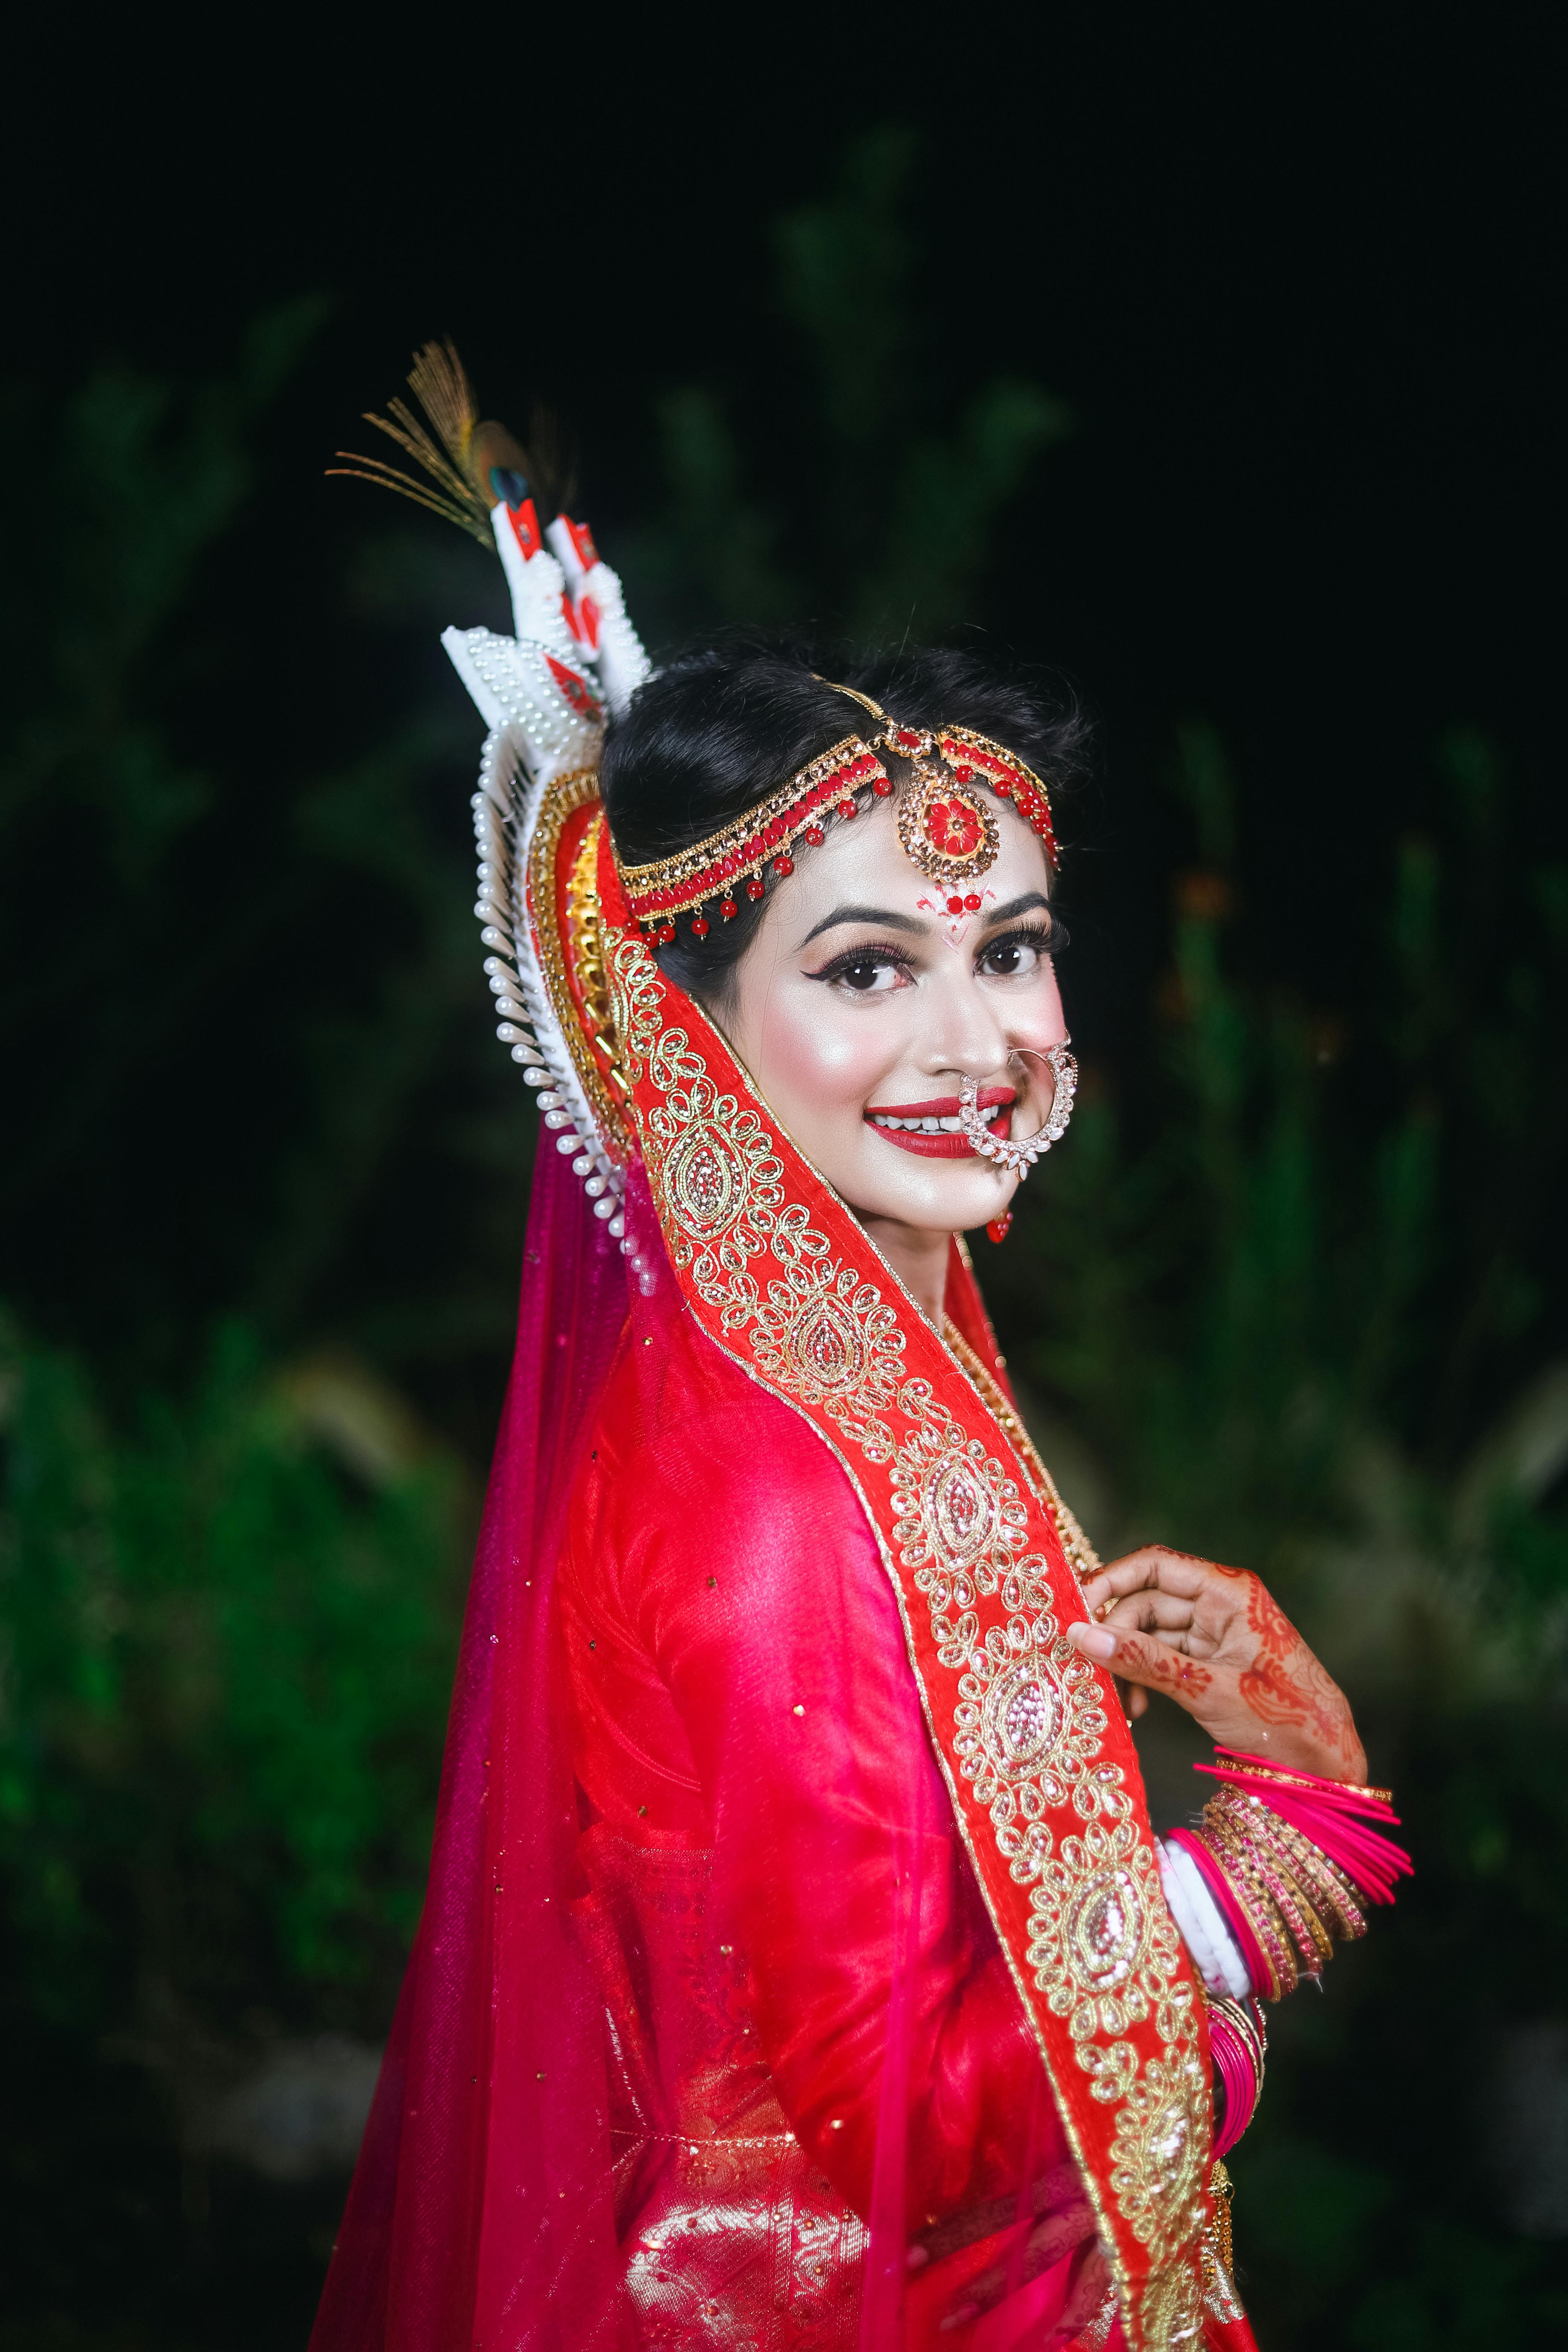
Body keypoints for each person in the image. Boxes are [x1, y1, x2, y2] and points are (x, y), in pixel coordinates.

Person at [312, 350, 1407, 2352]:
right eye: (867, 970)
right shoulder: (769, 1515)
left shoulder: (839, 1378)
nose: (977, 1045)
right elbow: (911, 2131)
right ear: (689, 1035)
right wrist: (1285, 1822)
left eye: (1008, 950)